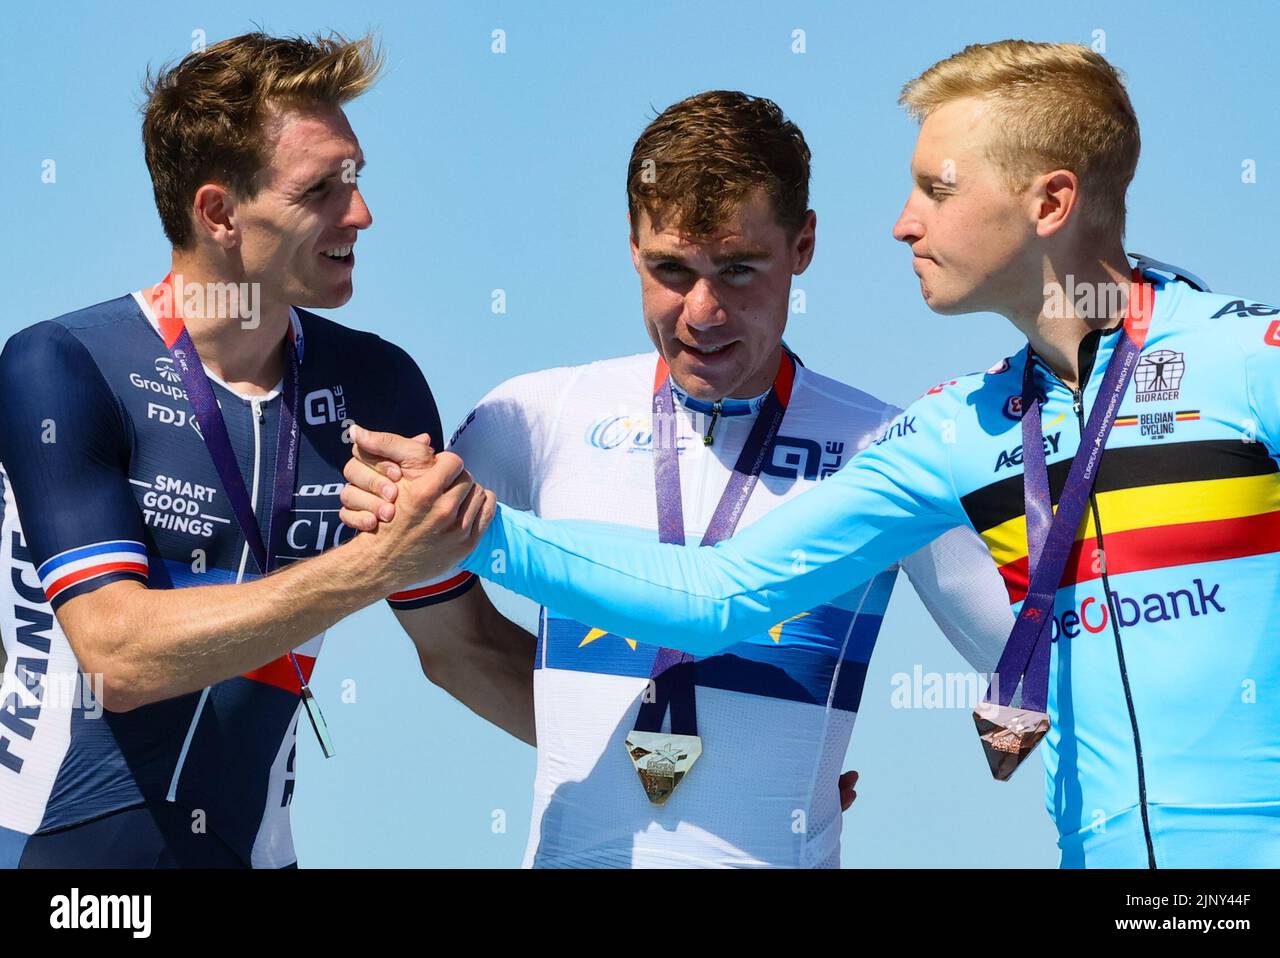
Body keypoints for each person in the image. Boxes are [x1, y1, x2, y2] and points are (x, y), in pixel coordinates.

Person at [354, 41, 1280, 868]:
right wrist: (471, 530)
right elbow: (718, 595)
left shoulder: (1250, 365)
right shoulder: (957, 430)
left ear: (1050, 201)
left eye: (937, 188)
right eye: (671, 269)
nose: (902, 222)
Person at [340, 91, 1012, 868]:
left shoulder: (886, 446)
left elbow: (1040, 665)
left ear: (803, 246)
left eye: (737, 271)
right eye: (670, 269)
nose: (702, 312)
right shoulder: (537, 414)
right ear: (631, 245)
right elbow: (447, 646)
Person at [0, 31, 499, 868]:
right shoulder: (62, 365)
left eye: (357, 178)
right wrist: (370, 568)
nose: (360, 214)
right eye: (320, 190)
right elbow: (118, 656)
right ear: (218, 212)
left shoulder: (378, 386)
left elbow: (463, 650)